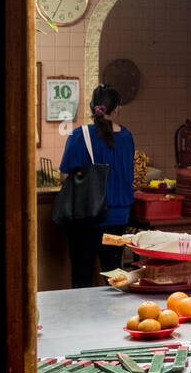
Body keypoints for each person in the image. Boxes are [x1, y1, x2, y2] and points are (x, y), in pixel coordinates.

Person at [58, 84, 136, 288]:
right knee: (113, 276)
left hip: (86, 217)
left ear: (93, 107)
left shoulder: (79, 136)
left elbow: (64, 176)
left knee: (82, 275)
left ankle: (83, 319)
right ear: (117, 109)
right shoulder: (127, 138)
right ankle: (112, 318)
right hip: (118, 218)